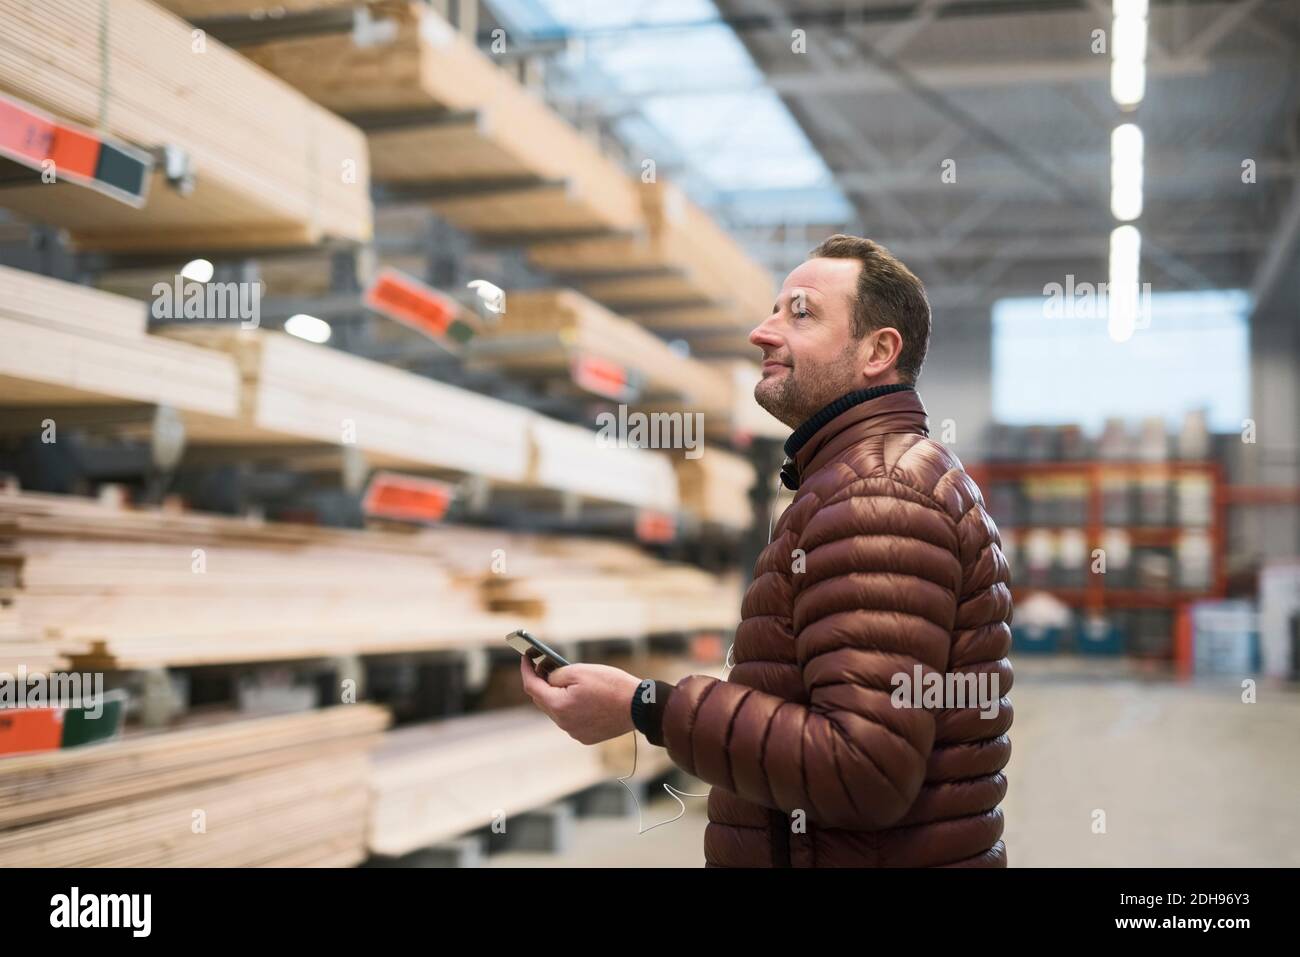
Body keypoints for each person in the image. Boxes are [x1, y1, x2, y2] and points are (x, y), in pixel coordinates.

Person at [520, 234, 1013, 867]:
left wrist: (646, 707)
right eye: (773, 309)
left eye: (799, 312)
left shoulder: (879, 500)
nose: (762, 332)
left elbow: (862, 770)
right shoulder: (863, 481)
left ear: (878, 351)